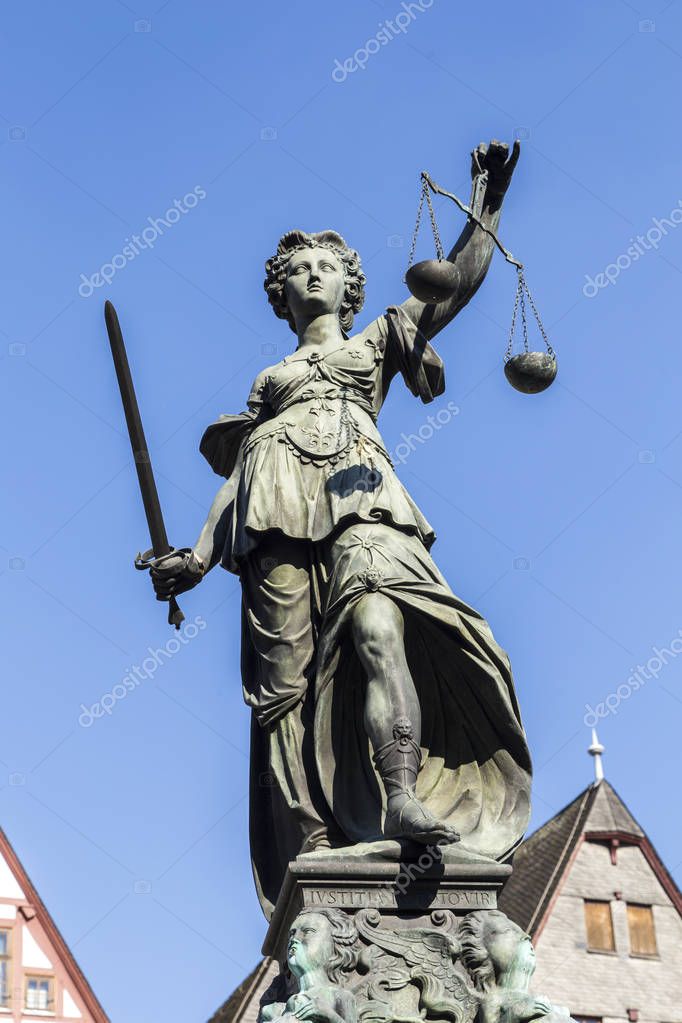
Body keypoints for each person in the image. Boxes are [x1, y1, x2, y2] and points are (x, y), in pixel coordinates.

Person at [150, 140, 532, 919]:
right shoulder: (271, 385)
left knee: (380, 620)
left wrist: (485, 207)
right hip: (274, 521)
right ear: (280, 296)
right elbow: (244, 472)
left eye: (326, 264)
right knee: (282, 691)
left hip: (365, 506)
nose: (311, 274)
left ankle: (399, 795)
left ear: (349, 287)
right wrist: (194, 557)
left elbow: (451, 290)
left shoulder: (375, 343)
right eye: (296, 270)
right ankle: (314, 838)